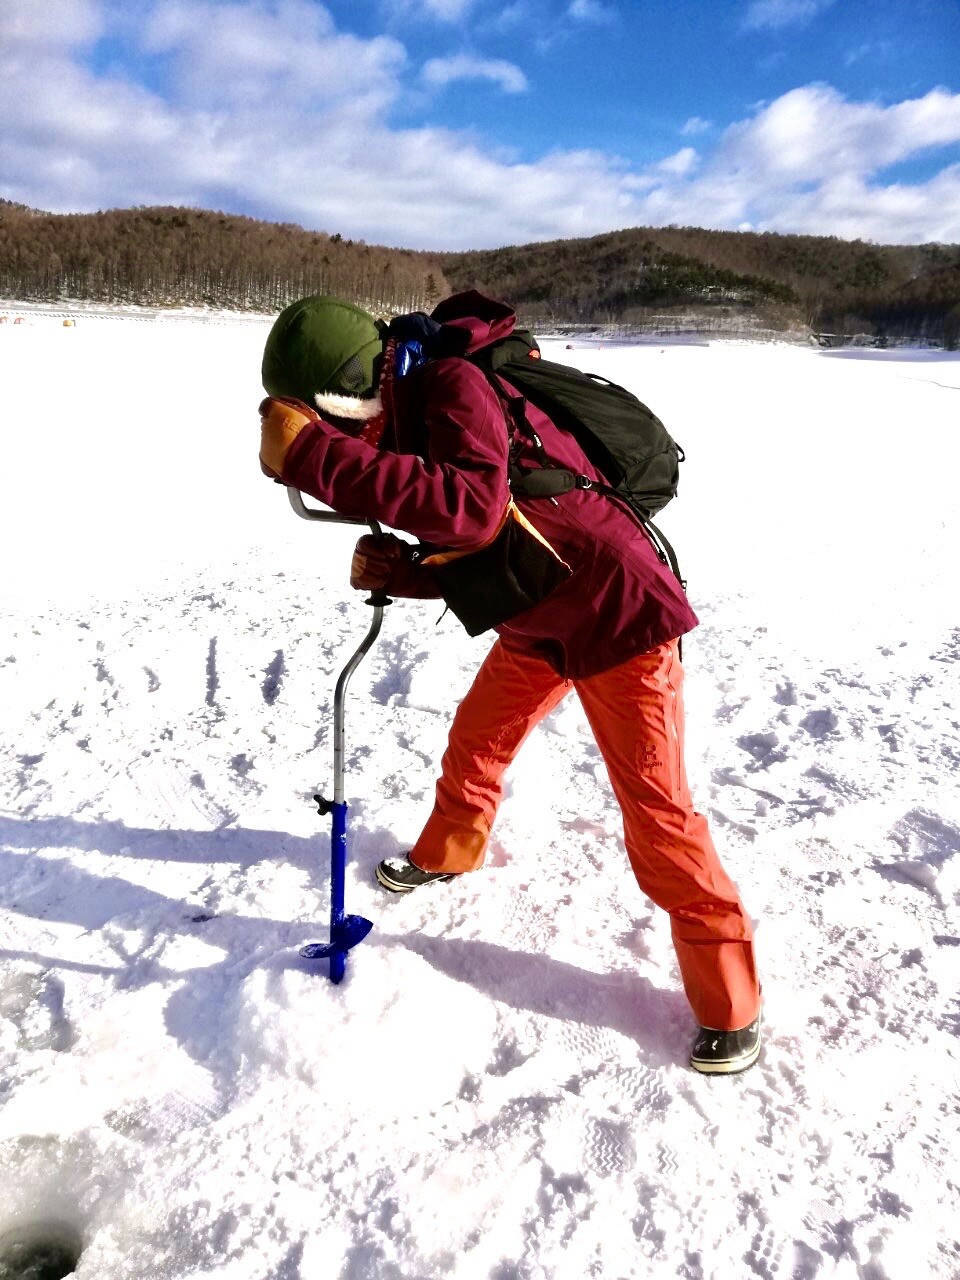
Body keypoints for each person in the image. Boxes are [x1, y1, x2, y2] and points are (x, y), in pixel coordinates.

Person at [258, 290, 762, 1074]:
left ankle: (731, 999)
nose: (344, 438)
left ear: (352, 387)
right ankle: (451, 851)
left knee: (658, 816)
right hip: (541, 613)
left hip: (617, 620)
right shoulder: (409, 405)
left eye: (335, 425)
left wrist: (314, 460)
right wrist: (411, 573)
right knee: (477, 741)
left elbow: (468, 508)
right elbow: (502, 538)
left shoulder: (455, 387)